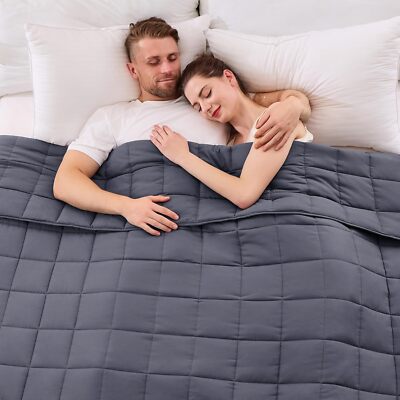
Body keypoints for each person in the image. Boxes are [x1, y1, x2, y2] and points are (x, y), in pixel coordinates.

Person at [53, 17, 311, 235]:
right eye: (154, 62)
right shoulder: (113, 116)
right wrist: (126, 206)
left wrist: (294, 106)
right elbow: (66, 181)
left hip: (218, 218)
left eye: (172, 58)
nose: (167, 69)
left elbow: (270, 103)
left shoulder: (211, 103)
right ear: (133, 70)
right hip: (145, 221)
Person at [150, 53, 313, 209]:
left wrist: (182, 156)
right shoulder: (229, 143)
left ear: (229, 78)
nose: (205, 108)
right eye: (198, 107)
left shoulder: (275, 118)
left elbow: (244, 194)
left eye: (207, 94)